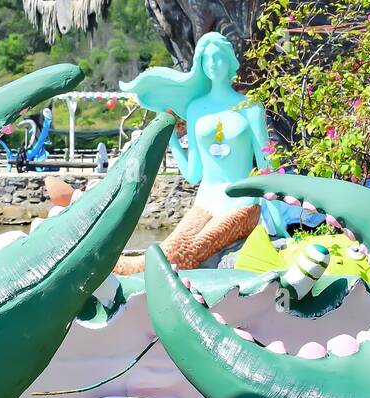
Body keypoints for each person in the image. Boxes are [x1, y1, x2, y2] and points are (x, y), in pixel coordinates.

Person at [114, 32, 271, 274]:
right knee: (173, 242)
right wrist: (172, 140)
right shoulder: (196, 108)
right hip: (207, 200)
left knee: (192, 249)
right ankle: (130, 268)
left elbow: (267, 166)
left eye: (218, 57)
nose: (213, 64)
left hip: (243, 202)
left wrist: (275, 211)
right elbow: (193, 174)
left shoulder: (250, 107)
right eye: (206, 59)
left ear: (230, 60)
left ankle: (132, 269)